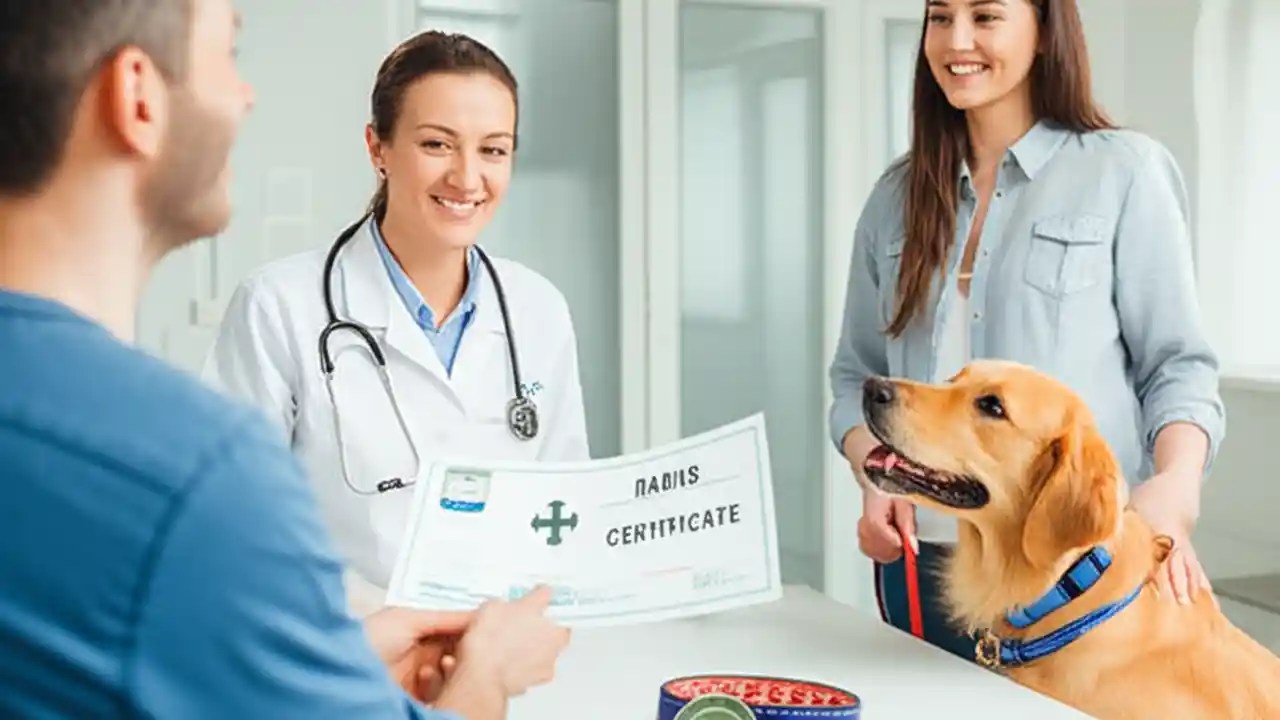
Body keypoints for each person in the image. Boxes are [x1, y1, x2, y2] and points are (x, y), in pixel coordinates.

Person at [0, 1, 568, 717]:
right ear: (136, 94)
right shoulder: (201, 465)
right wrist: (480, 672)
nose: (248, 93)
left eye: (494, 148)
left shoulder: (539, 309)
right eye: (228, 52)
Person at [828, 0, 1225, 661]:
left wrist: (1175, 491)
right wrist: (875, 468)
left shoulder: (1124, 172)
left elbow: (1177, 368)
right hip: (923, 566)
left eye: (985, 16)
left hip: (1075, 573)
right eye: (939, 16)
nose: (957, 41)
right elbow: (854, 373)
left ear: (1045, 32)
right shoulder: (895, 197)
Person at [203, 29, 590, 614]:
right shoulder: (279, 307)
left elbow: (567, 503)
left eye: (493, 149)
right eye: (437, 144)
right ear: (377, 148)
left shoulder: (539, 311)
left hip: (498, 654)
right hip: (343, 655)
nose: (466, 177)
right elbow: (230, 522)